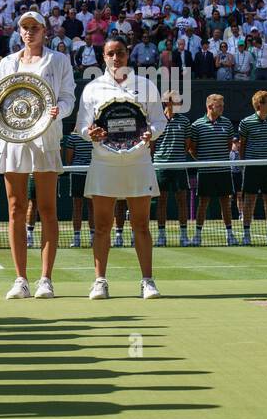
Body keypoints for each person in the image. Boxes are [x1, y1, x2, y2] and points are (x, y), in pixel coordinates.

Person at [0, 10, 75, 299]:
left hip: (46, 141)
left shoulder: (58, 60)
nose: (29, 32)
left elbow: (68, 98)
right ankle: (20, 279)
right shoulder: (8, 62)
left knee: (47, 209)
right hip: (13, 142)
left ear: (44, 31)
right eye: (24, 27)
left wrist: (61, 111)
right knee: (15, 208)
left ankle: (45, 279)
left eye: (34, 27)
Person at [75, 36, 166, 299]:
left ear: (128, 55)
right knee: (102, 225)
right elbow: (81, 125)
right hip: (104, 162)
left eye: (121, 53)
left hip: (139, 161)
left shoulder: (146, 85)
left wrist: (151, 134)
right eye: (111, 53)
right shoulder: (93, 88)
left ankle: (147, 281)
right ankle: (100, 281)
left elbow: (159, 122)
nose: (116, 58)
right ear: (104, 57)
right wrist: (89, 132)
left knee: (141, 225)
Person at [235, 90, 267, 246]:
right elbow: (242, 147)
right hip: (252, 167)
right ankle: (246, 234)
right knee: (249, 200)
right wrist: (245, 164)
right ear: (260, 105)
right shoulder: (246, 122)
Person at [188, 93, 236, 245]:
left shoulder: (227, 123)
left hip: (223, 171)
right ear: (210, 107)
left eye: (223, 106)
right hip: (205, 172)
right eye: (219, 106)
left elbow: (229, 145)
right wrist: (204, 162)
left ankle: (230, 235)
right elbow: (192, 149)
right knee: (203, 203)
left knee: (225, 203)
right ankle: (197, 235)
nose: (222, 109)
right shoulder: (197, 125)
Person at [152, 91, 192, 247]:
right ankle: (161, 236)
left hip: (179, 166)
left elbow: (187, 145)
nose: (180, 104)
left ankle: (183, 236)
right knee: (161, 201)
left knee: (182, 201)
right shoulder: (157, 121)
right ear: (167, 102)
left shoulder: (185, 121)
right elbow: (152, 145)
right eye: (177, 101)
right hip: (160, 166)